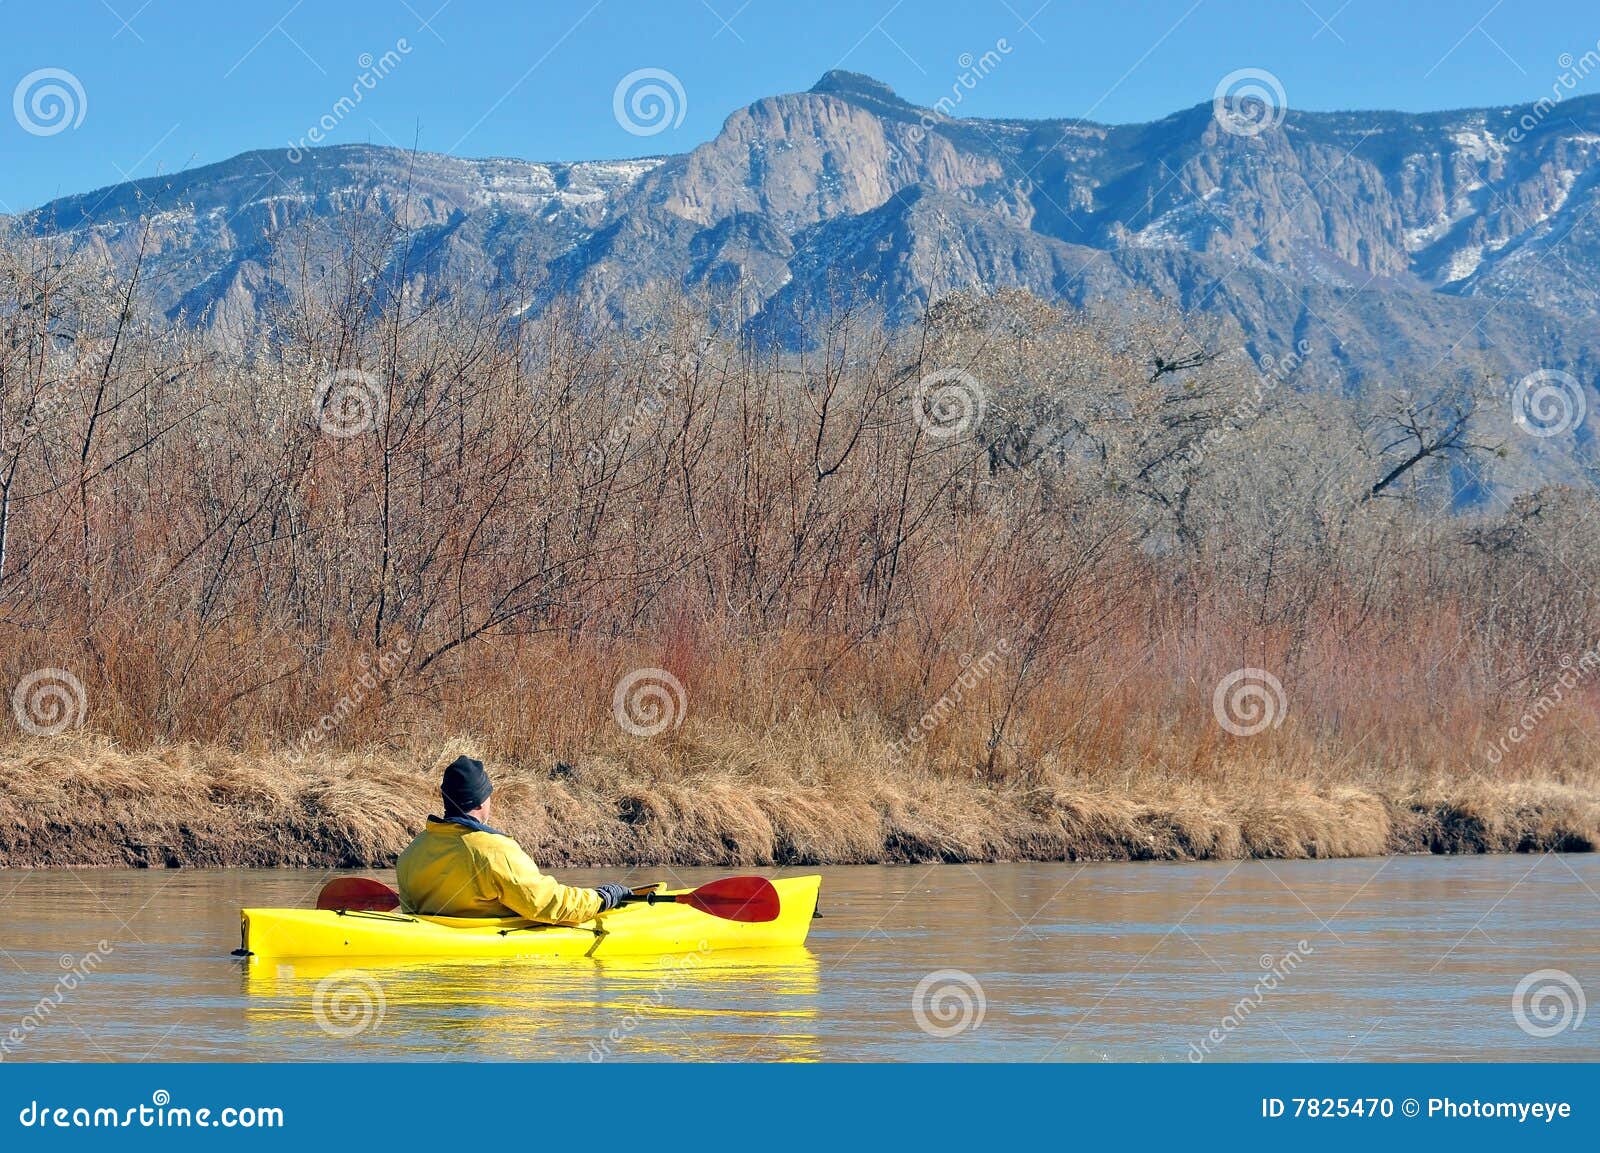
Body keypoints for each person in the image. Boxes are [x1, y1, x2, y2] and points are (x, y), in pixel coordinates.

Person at [396, 755, 632, 924]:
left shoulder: (411, 853)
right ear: (480, 801)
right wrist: (600, 899)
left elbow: (411, 914)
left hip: (432, 944)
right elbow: (545, 902)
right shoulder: (495, 851)